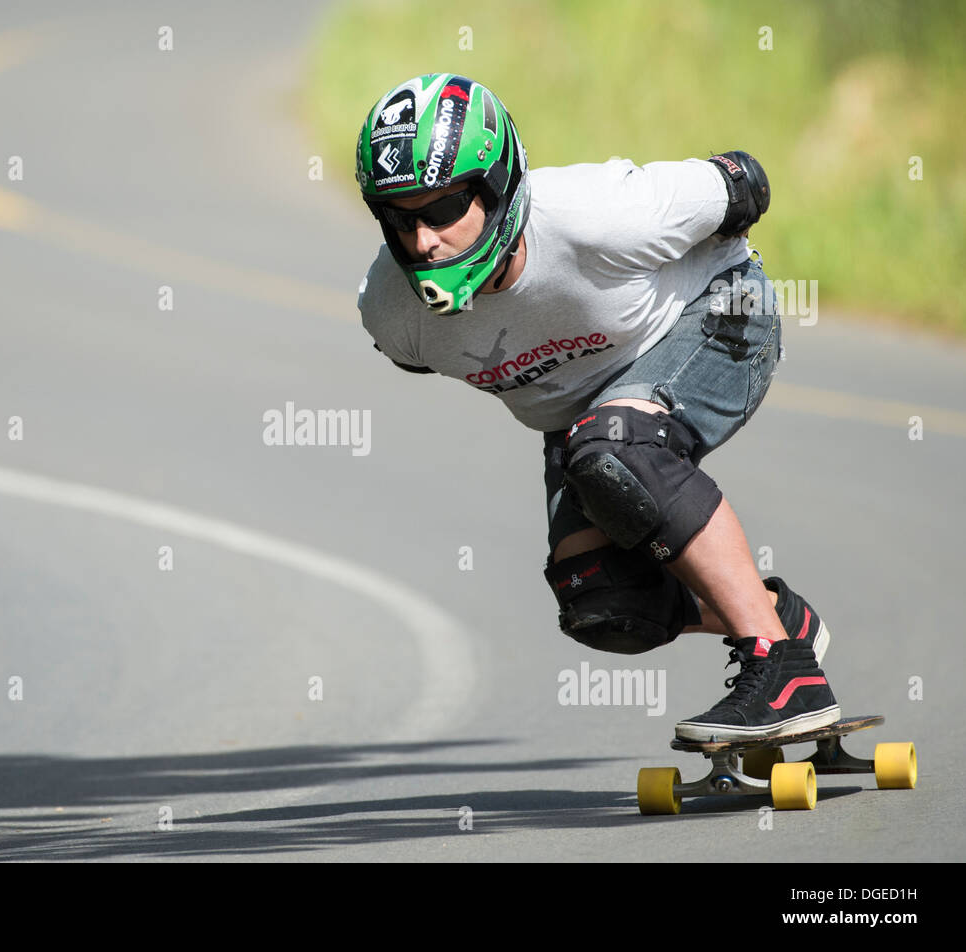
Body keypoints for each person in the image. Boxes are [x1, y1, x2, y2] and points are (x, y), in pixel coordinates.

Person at [355, 73, 838, 742]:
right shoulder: (392, 313)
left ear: (497, 189)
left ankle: (781, 670)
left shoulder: (599, 214)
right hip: (589, 408)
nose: (421, 241)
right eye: (399, 217)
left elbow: (744, 184)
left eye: (440, 210)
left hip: (717, 314)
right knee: (606, 603)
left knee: (615, 449)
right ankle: (773, 614)